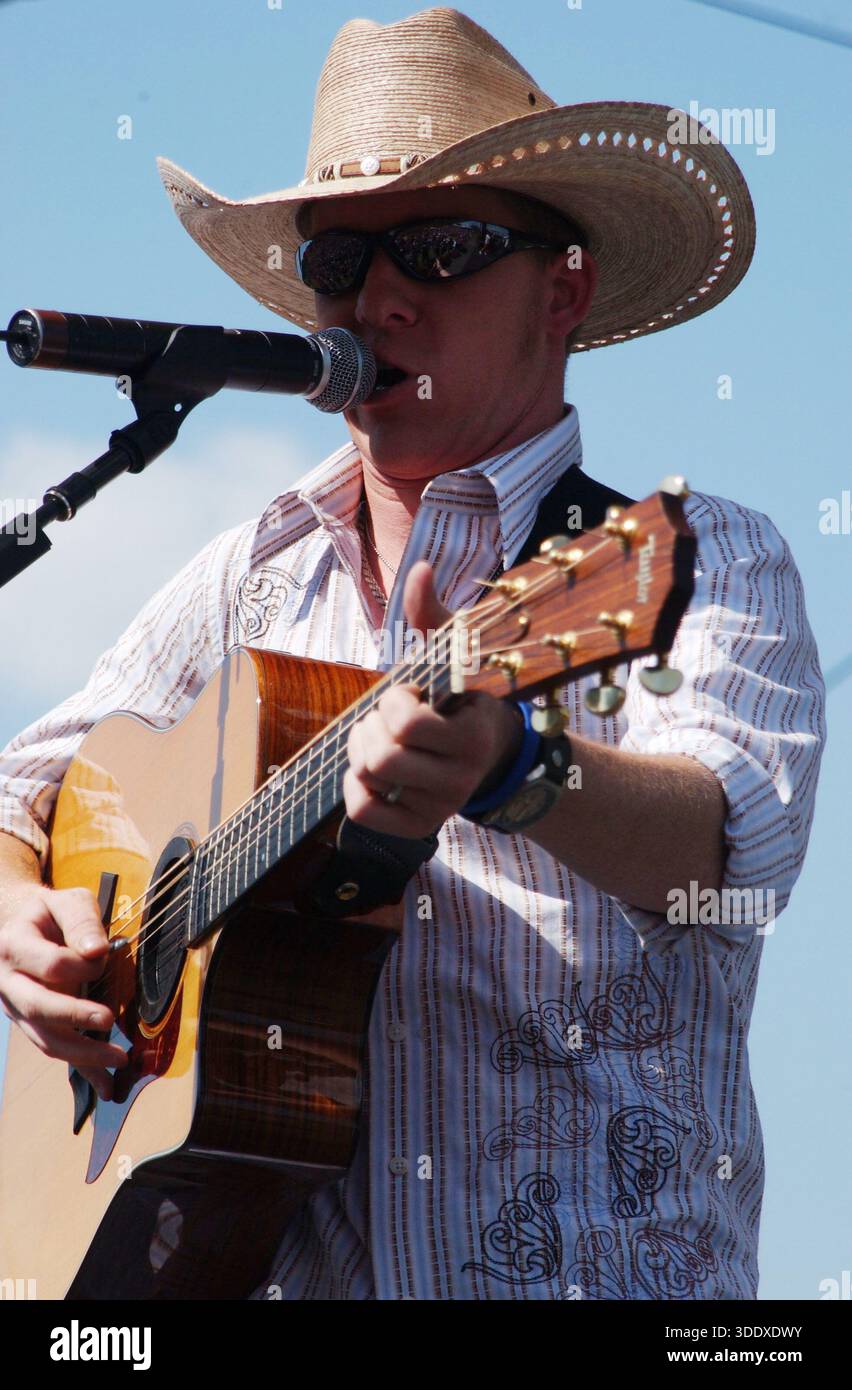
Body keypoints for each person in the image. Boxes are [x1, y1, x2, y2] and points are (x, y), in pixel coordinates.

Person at [0, 9, 825, 1299]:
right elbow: (16, 798)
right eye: (341, 261)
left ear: (564, 289)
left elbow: (728, 847)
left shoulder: (692, 559)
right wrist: (22, 928)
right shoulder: (246, 579)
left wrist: (511, 768)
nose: (380, 297)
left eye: (441, 249)